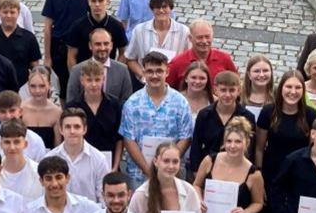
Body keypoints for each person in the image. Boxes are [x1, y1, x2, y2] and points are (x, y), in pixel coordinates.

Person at [255, 71, 316, 213]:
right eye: (288, 87)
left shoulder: (310, 115)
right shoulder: (268, 113)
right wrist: (260, 177)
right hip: (273, 176)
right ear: (281, 88)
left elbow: (314, 149)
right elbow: (259, 147)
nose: (292, 92)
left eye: (297, 88)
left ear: (303, 91)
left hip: (298, 178)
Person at [119, 51, 194, 189]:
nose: (154, 76)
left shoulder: (181, 102)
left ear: (167, 72)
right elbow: (128, 140)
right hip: (140, 175)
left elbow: (186, 137)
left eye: (159, 71)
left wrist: (167, 165)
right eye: (149, 71)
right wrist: (149, 171)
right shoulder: (132, 103)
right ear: (143, 72)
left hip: (172, 174)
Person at [188, 70, 256, 175]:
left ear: (239, 90)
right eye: (223, 90)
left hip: (237, 169)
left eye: (232, 90)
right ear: (215, 90)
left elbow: (251, 150)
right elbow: (196, 146)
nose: (227, 95)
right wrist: (196, 172)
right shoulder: (204, 115)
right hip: (208, 169)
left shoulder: (247, 117)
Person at [42, 0, 89, 101]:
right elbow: (47, 28)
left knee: (84, 82)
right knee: (64, 86)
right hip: (60, 47)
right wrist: (48, 57)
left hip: (82, 47)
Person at [67, 60, 124, 172]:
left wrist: (115, 167)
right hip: (82, 164)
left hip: (109, 163)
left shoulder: (114, 104)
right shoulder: (73, 106)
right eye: (89, 80)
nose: (94, 84)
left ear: (103, 79)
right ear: (82, 80)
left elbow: (119, 139)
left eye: (97, 80)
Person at [44, 108, 109, 203]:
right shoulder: (49, 158)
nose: (72, 131)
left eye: (77, 127)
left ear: (85, 129)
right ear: (61, 130)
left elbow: (103, 198)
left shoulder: (99, 159)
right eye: (68, 127)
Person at [123, 0, 191, 84]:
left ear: (170, 9)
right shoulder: (139, 30)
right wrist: (143, 75)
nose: (161, 10)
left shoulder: (184, 31)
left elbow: (190, 60)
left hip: (174, 84)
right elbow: (130, 58)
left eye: (164, 7)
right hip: (145, 84)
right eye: (157, 7)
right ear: (152, 10)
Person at [66, 0, 129, 69]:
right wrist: (76, 76)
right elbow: (71, 56)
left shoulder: (117, 26)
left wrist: (115, 71)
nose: (97, 5)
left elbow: (123, 52)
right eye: (93, 1)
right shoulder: (78, 27)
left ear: (107, 1)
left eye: (101, 1)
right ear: (88, 2)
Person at [67, 28, 134, 104]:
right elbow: (71, 103)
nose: (102, 48)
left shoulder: (122, 70)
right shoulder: (77, 70)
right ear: (90, 45)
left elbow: (127, 102)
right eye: (98, 44)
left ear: (111, 45)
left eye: (106, 44)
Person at [166, 19, 237, 90]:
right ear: (190, 38)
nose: (204, 41)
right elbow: (167, 90)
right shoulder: (177, 63)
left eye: (207, 37)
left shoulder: (224, 59)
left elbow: (236, 84)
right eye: (199, 37)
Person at [0, 91, 47, 161]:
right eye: (3, 111)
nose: (8, 116)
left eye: (12, 111)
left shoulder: (35, 140)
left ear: (20, 111)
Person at [0, 0, 42, 88]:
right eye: (5, 12)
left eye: (12, 12)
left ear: (18, 13)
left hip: (20, 86)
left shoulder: (29, 38)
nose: (8, 15)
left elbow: (35, 66)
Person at [0, 120, 43, 201]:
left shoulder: (38, 172)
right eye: (7, 142)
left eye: (16, 142)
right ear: (1, 144)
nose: (12, 147)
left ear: (25, 144)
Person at [21, 66, 61, 149]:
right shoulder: (21, 110)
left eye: (42, 86)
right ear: (28, 86)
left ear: (49, 85)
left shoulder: (57, 112)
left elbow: (58, 145)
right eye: (33, 86)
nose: (37, 91)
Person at [242, 55, 275, 120]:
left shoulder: (278, 94)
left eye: (265, 71)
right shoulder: (239, 94)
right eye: (257, 71)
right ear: (249, 75)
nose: (261, 75)